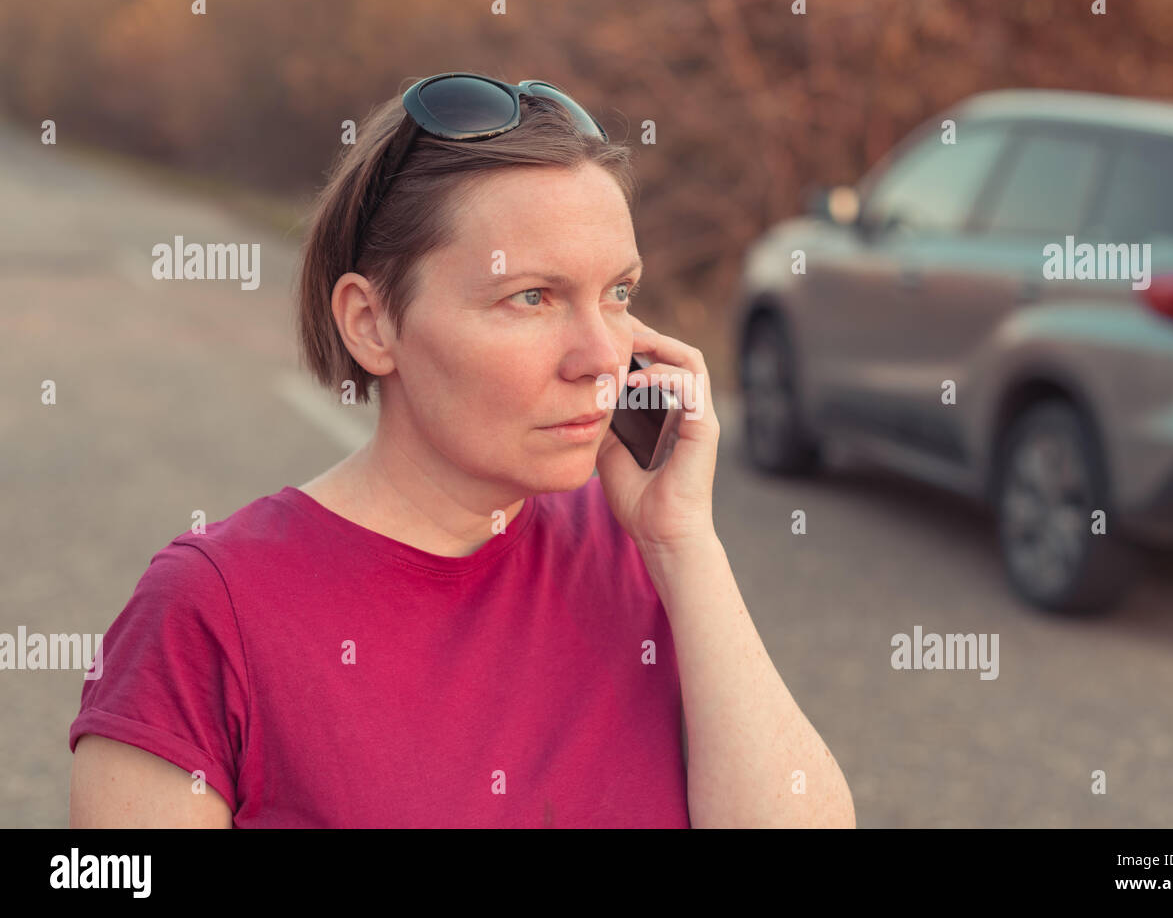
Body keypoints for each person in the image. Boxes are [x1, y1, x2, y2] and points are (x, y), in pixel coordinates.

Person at [68, 72, 855, 828]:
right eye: (532, 298)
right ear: (371, 323)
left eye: (618, 293)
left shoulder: (637, 549)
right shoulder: (207, 610)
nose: (602, 358)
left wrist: (684, 543)